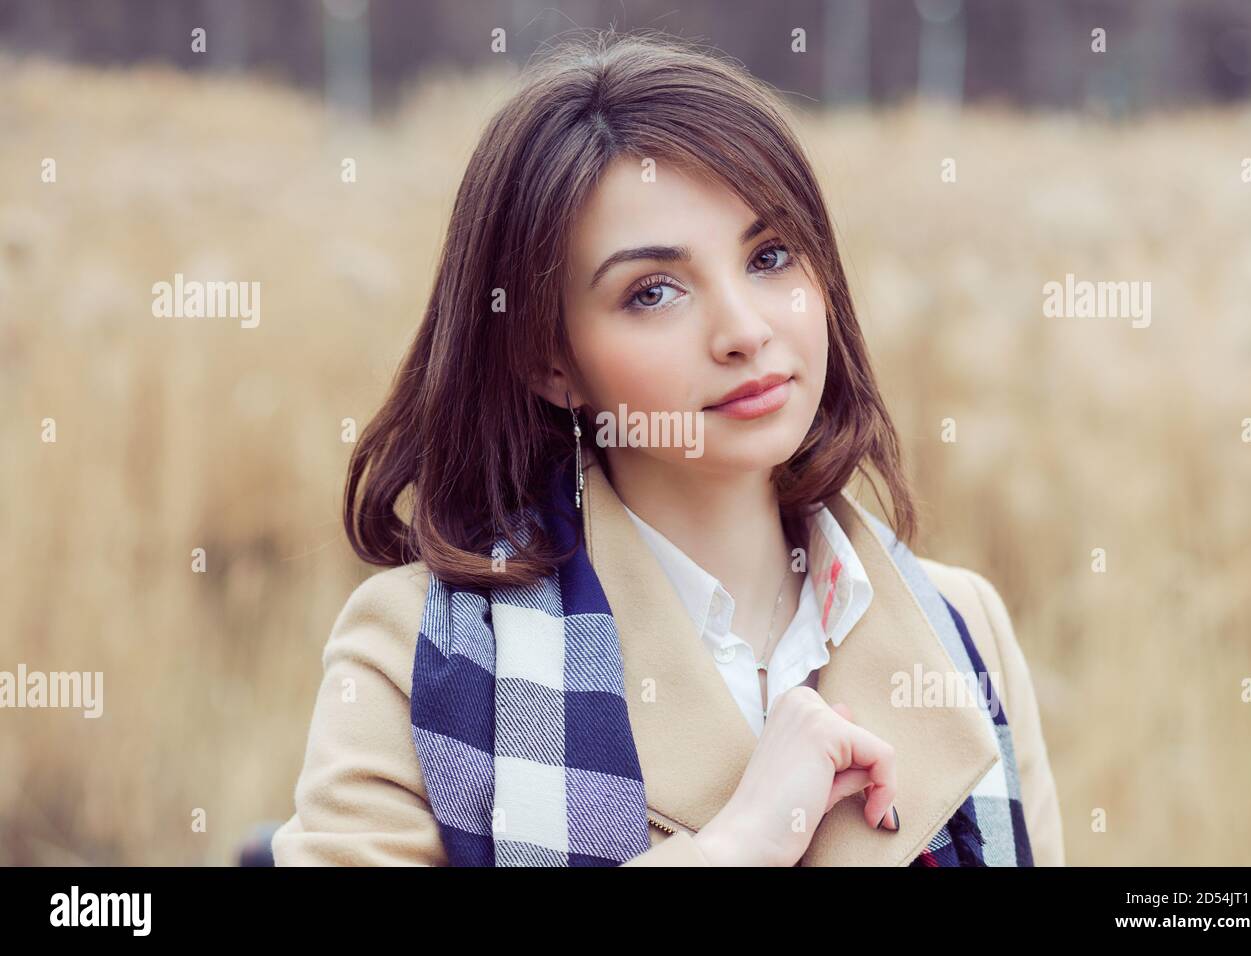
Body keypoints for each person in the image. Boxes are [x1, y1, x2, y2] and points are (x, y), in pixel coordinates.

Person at [272, 29, 1064, 867]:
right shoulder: (420, 659)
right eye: (653, 291)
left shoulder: (960, 631)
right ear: (550, 361)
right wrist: (737, 846)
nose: (744, 331)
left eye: (770, 255)